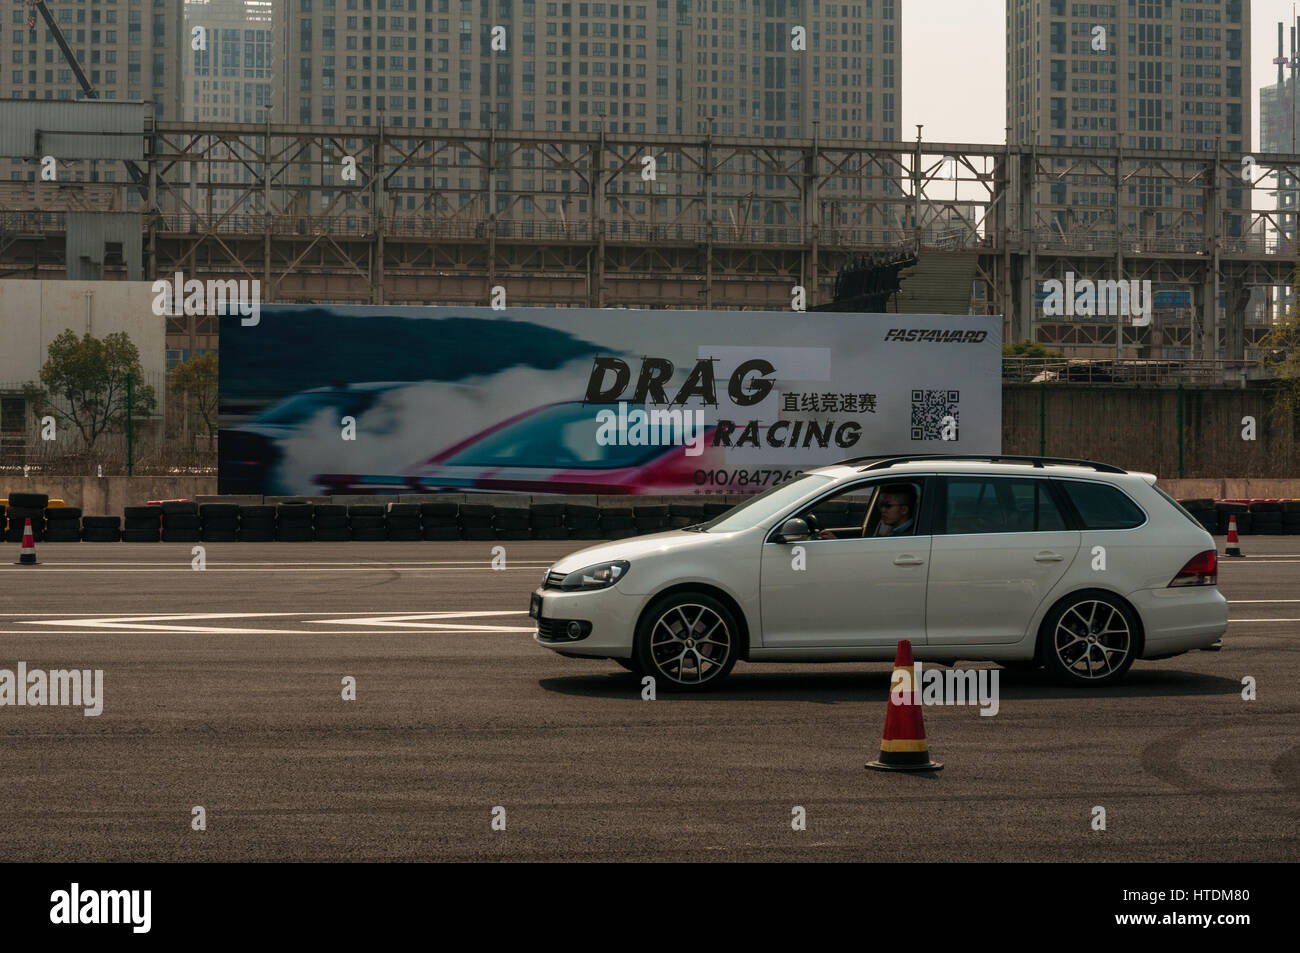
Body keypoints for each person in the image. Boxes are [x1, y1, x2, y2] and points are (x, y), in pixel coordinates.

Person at [812, 484, 916, 540]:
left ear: (904, 510)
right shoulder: (889, 528)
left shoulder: (912, 535)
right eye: (881, 505)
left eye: (888, 506)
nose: (882, 510)